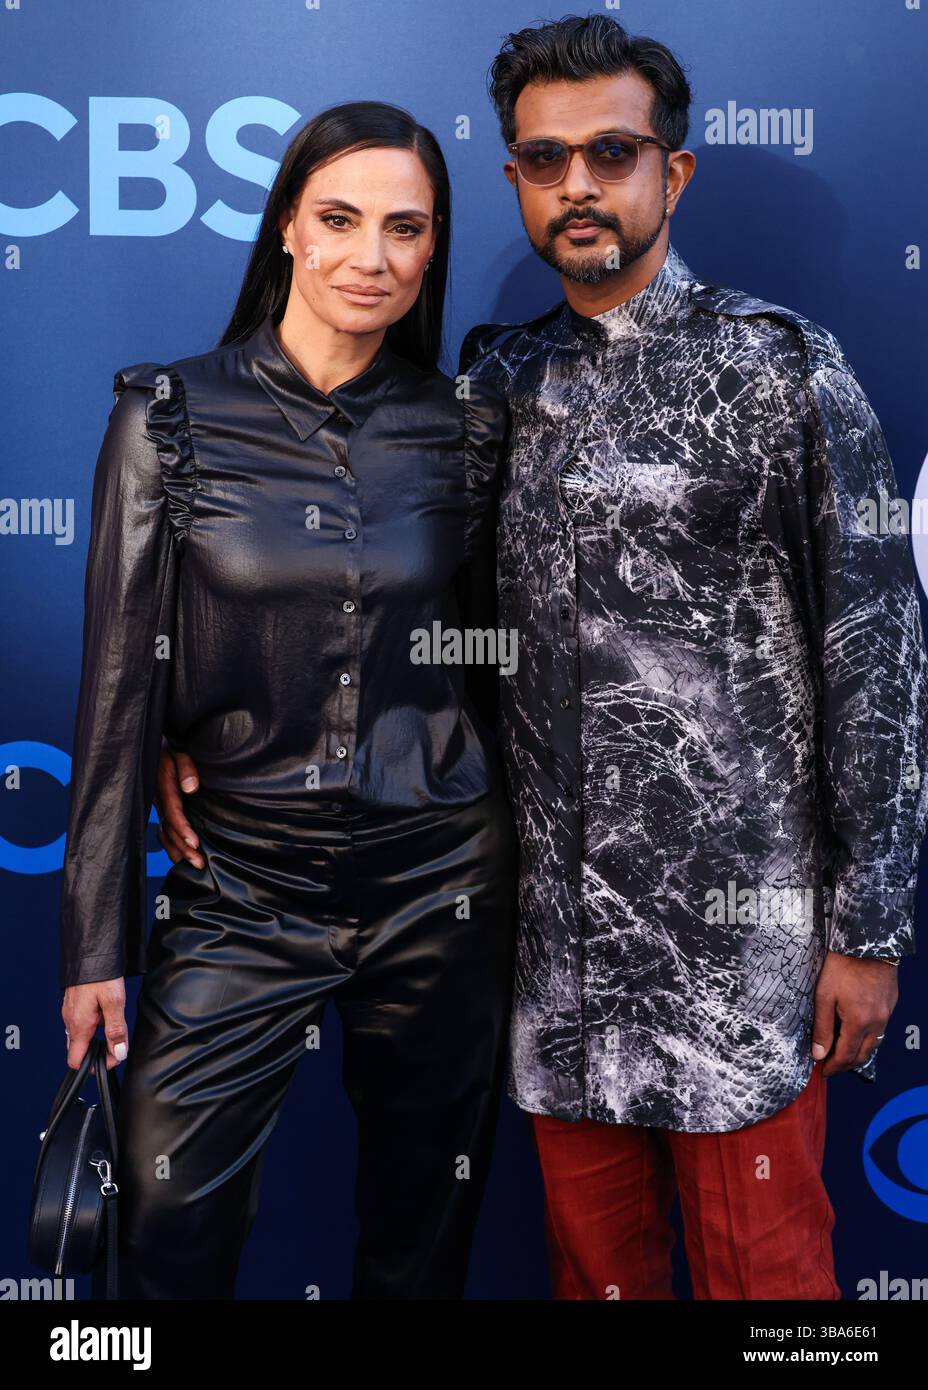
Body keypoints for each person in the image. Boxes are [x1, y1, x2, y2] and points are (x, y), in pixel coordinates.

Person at [455, 15, 926, 1298]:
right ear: (514, 182)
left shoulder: (779, 368)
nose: (579, 186)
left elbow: (876, 656)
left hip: (745, 963)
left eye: (612, 152)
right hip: (561, 970)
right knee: (592, 1278)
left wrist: (868, 930)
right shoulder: (498, 384)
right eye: (544, 160)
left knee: (769, 1286)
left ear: (676, 171)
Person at [59, 100, 518, 1300]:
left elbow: (495, 654)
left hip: (442, 884)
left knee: (425, 1224)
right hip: (241, 886)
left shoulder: (464, 425)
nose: (373, 257)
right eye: (340, 219)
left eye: (405, 229)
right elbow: (116, 682)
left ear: (431, 250)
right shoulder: (168, 416)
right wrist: (96, 945)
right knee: (162, 1214)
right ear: (286, 232)